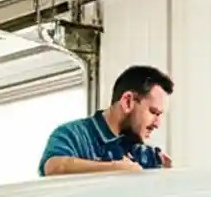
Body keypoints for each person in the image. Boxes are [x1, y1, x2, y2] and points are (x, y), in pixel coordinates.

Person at [38, 65, 174, 177]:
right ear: (127, 101)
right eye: (153, 112)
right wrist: (117, 169)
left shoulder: (145, 154)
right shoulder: (73, 135)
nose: (157, 124)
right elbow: (54, 167)